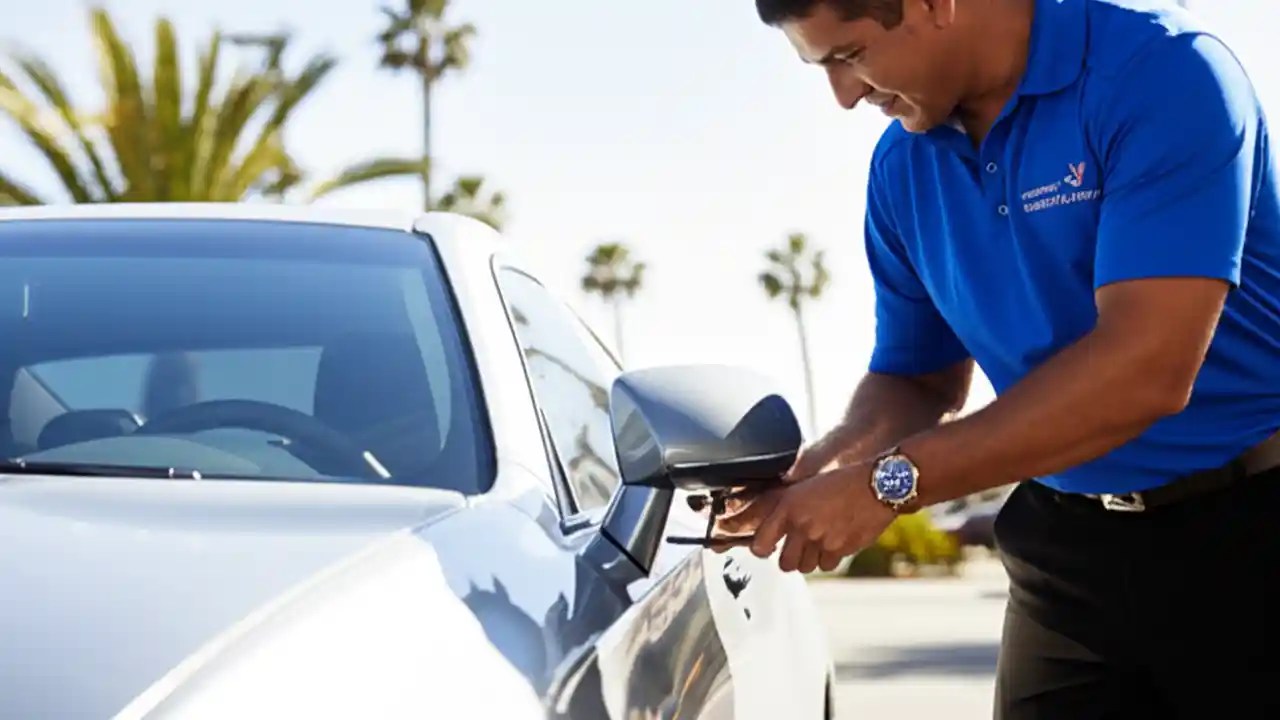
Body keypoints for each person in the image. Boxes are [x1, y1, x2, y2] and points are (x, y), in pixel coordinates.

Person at [717, 0, 1280, 716]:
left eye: (849, 55)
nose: (844, 96)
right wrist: (828, 467)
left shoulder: (1165, 74)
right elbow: (916, 377)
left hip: (1252, 538)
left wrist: (889, 485)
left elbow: (1147, 370)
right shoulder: (902, 166)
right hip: (1066, 554)